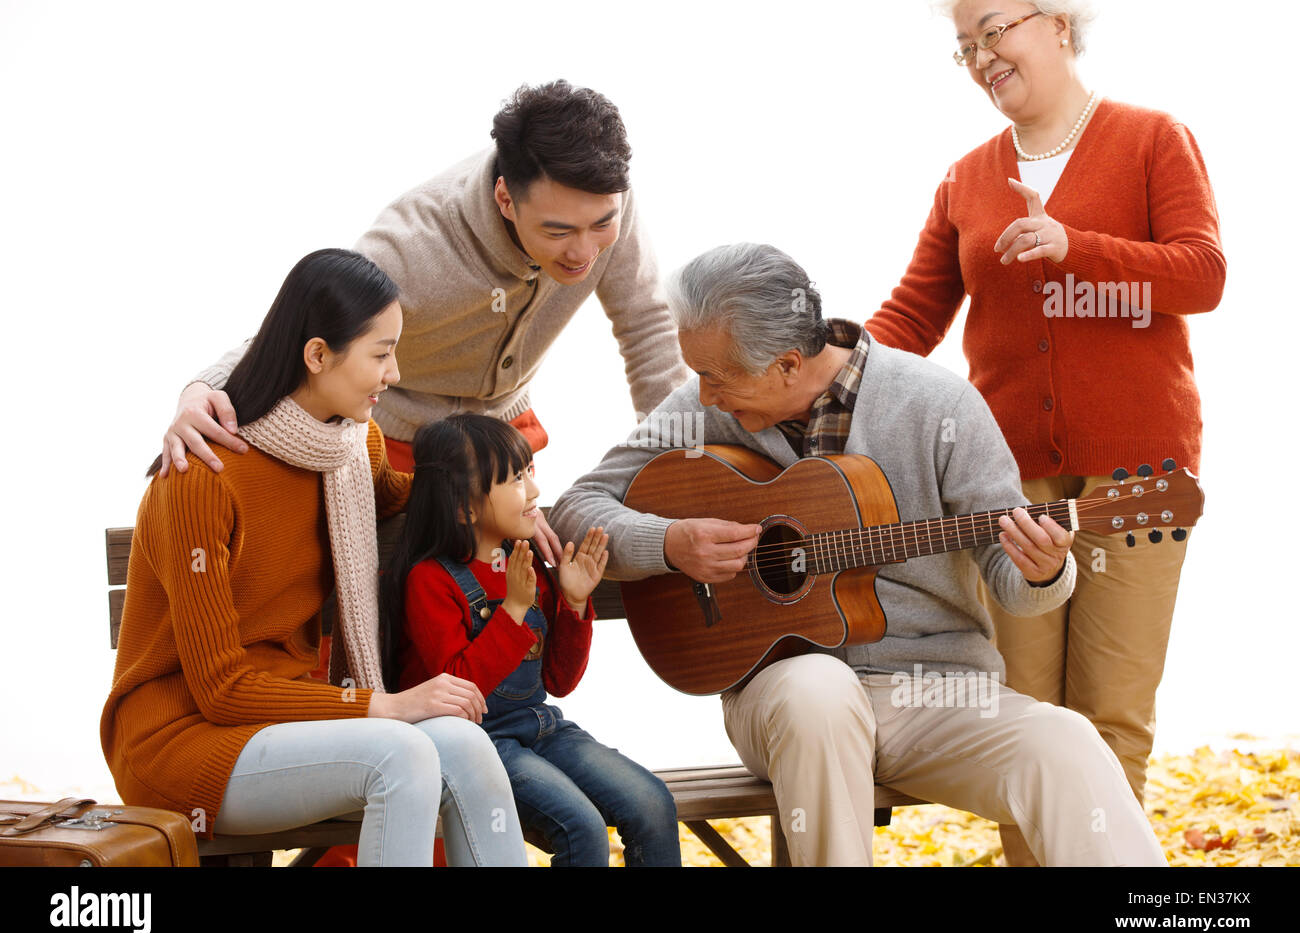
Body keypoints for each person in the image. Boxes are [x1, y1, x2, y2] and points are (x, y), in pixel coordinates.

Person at [548, 242, 1168, 866]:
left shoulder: (936, 406)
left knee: (1067, 742)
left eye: (716, 378)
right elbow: (580, 505)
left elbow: (1011, 576)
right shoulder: (707, 408)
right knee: (819, 689)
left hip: (936, 691)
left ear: (787, 364)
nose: (703, 396)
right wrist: (669, 543)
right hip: (785, 697)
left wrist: (1047, 568)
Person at [863, 0, 1225, 865]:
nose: (981, 55)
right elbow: (913, 315)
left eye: (994, 30)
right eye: (963, 48)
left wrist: (1076, 247)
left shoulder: (1152, 138)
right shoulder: (964, 178)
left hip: (1140, 475)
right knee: (1022, 718)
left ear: (1059, 24)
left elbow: (1202, 275)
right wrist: (816, 372)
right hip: (1006, 480)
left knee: (1110, 715)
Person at [101, 249, 527, 866]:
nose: (394, 372)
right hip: (182, 740)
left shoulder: (351, 447)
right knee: (401, 755)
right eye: (380, 354)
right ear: (318, 355)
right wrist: (388, 705)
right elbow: (220, 690)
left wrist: (511, 505)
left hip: (288, 726)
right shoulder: (201, 477)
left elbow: (411, 499)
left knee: (463, 745)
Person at [157, 79, 690, 563]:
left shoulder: (606, 199)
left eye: (602, 224)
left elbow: (648, 329)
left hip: (503, 432)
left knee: (514, 609)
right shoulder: (411, 248)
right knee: (395, 605)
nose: (583, 252)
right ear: (506, 198)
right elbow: (298, 334)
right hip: (393, 441)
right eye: (557, 232)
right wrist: (202, 388)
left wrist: (687, 464)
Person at [383, 414, 682, 866]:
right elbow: (457, 691)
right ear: (465, 506)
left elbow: (558, 680)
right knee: (579, 826)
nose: (535, 492)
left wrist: (575, 603)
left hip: (541, 728)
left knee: (653, 802)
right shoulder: (430, 581)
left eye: (529, 473)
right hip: (473, 744)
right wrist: (513, 611)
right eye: (515, 479)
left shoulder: (523, 566)